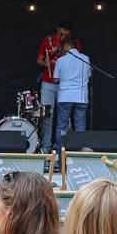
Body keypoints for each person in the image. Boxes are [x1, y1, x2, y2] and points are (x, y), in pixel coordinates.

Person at [35, 20, 80, 154]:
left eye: (65, 35)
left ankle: (61, 149)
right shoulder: (47, 41)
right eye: (60, 34)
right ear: (57, 29)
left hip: (65, 84)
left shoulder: (74, 43)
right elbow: (39, 59)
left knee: (64, 117)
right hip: (48, 82)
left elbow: (77, 61)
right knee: (47, 115)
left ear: (69, 33)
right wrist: (45, 63)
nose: (62, 37)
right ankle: (46, 148)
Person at [50, 39, 91, 151]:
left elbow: (55, 79)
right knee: (80, 127)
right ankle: (79, 155)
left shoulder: (61, 60)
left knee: (61, 126)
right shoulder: (85, 58)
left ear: (66, 47)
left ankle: (59, 155)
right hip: (81, 97)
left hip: (66, 97)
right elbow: (88, 75)